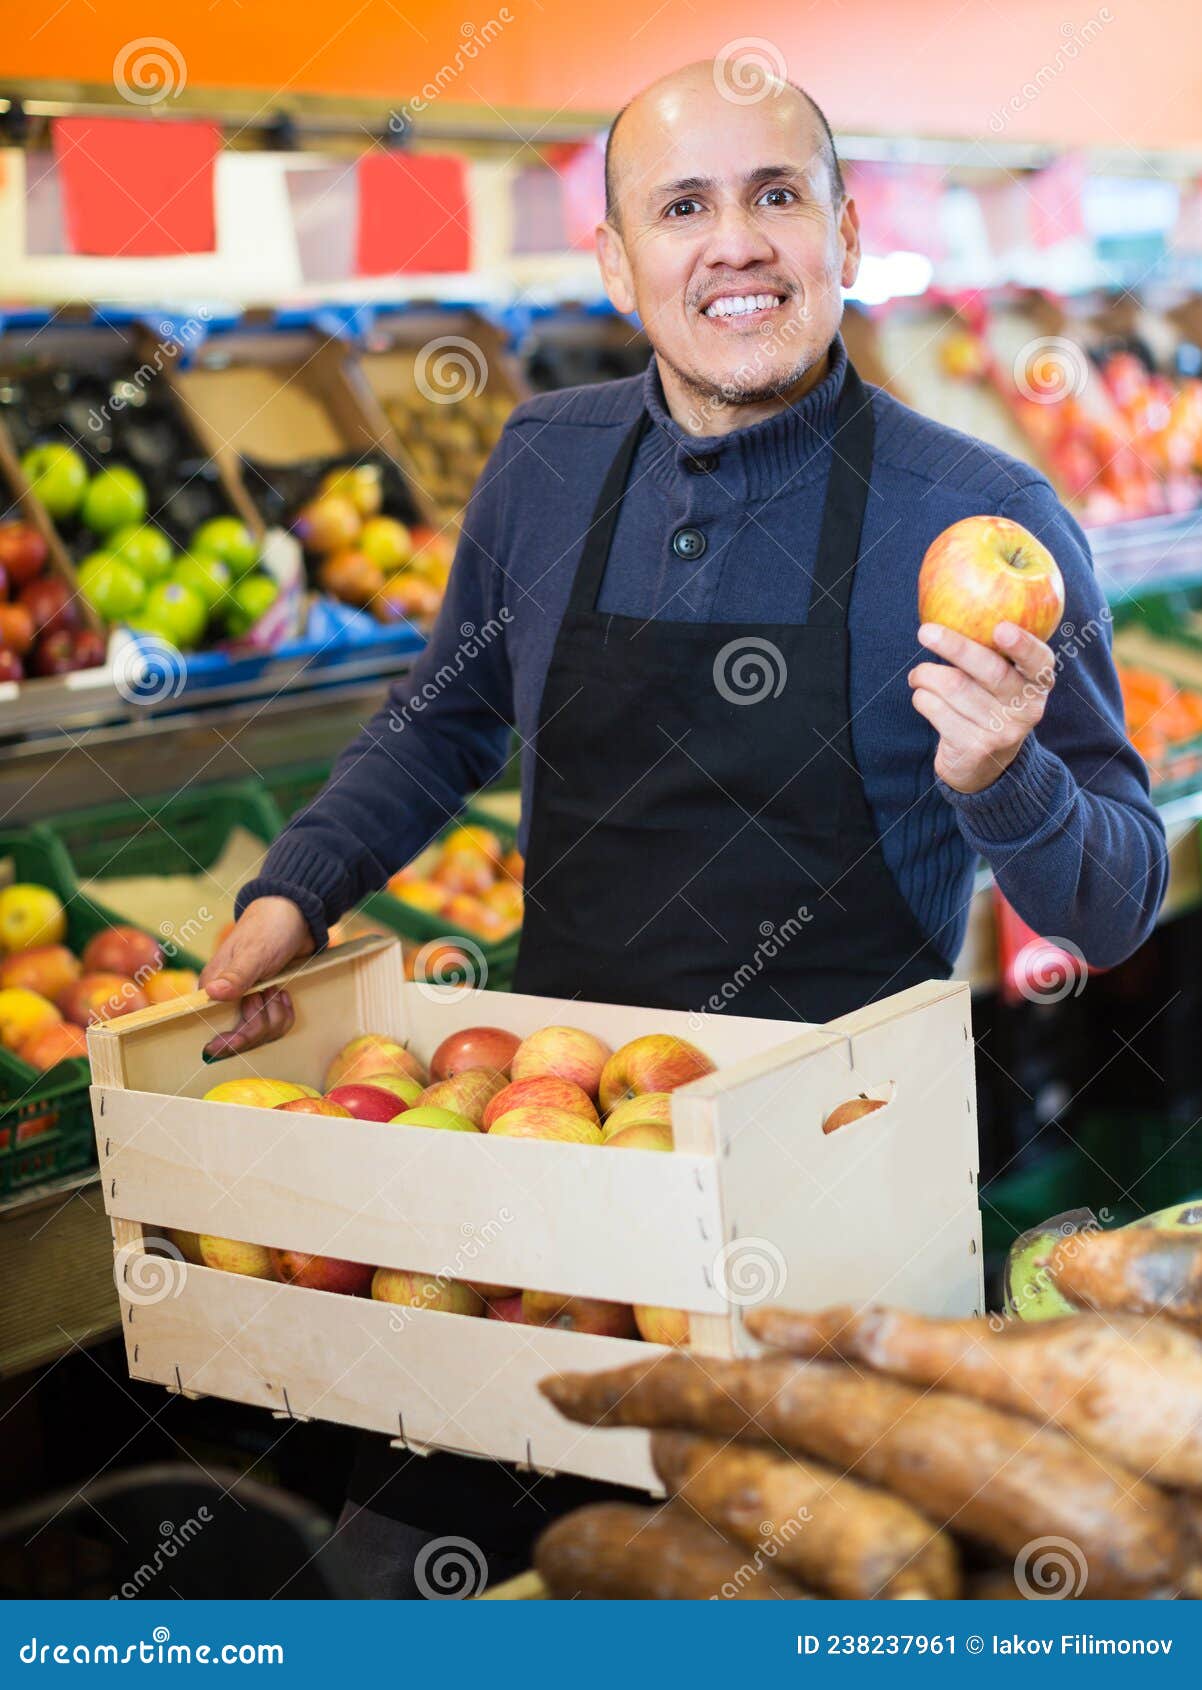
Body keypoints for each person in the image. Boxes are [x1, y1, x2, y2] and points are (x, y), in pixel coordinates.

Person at [198, 61, 1168, 1595]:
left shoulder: (979, 519)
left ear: (843, 232)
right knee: (433, 1582)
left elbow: (1115, 897)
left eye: (777, 195)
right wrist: (295, 893)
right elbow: (444, 716)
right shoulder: (543, 462)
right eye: (683, 205)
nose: (736, 243)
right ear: (614, 258)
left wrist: (1006, 779)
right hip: (551, 1165)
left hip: (830, 1222)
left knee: (792, 1596)